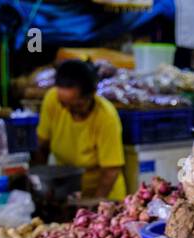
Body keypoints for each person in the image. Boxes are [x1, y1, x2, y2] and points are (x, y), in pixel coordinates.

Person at [32, 59, 127, 200]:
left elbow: (111, 170)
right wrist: (41, 185)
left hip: (104, 194)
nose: (68, 110)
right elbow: (42, 145)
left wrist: (94, 205)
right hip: (67, 192)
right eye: (64, 104)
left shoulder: (106, 116)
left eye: (76, 105)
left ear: (92, 94)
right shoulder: (52, 100)